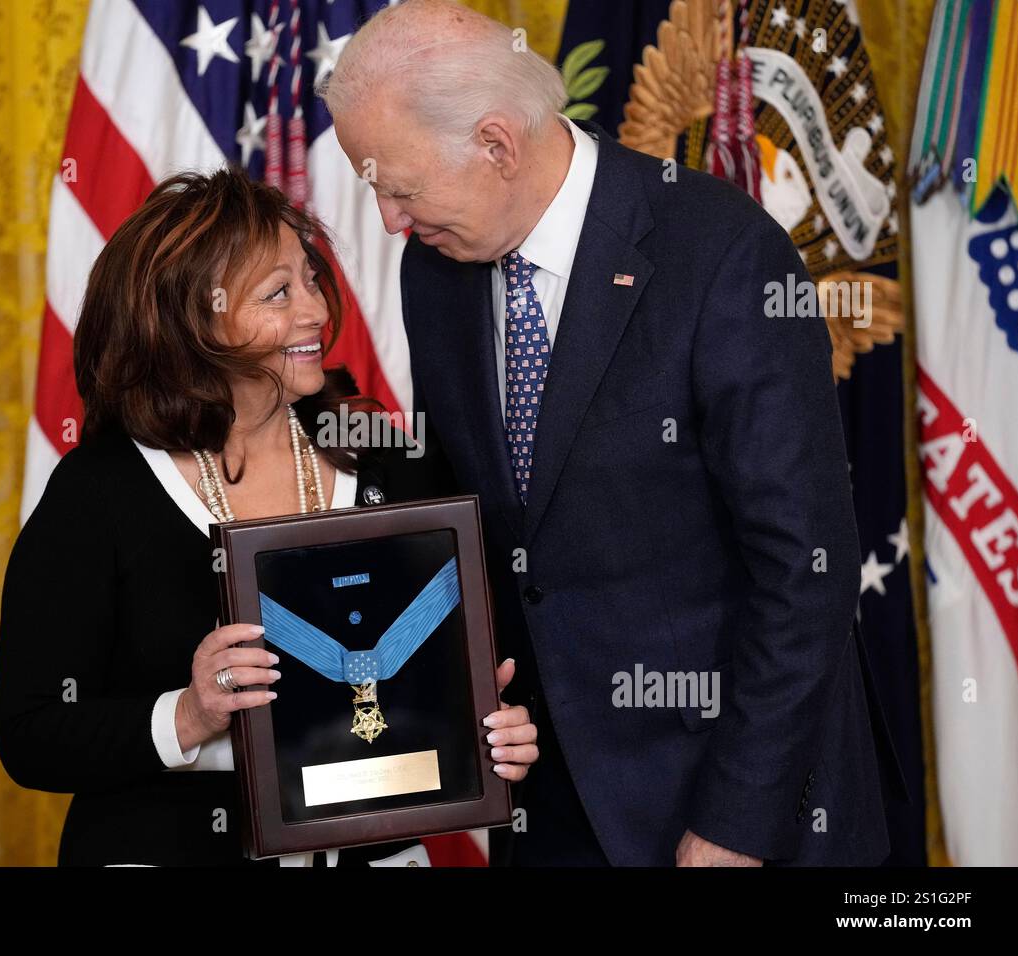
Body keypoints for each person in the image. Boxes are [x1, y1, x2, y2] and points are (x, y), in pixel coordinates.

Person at [320, 0, 899, 866]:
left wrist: (737, 823)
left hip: (733, 798)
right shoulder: (435, 269)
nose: (390, 222)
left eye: (398, 188)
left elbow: (803, 571)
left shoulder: (722, 256)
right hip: (549, 801)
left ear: (496, 144)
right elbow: (466, 508)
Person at [0, 166, 538, 866]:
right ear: (190, 319)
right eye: (279, 293)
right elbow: (31, 733)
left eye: (310, 280)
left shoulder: (389, 461)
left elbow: (475, 672)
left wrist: (493, 728)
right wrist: (187, 716)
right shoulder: (100, 492)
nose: (314, 311)